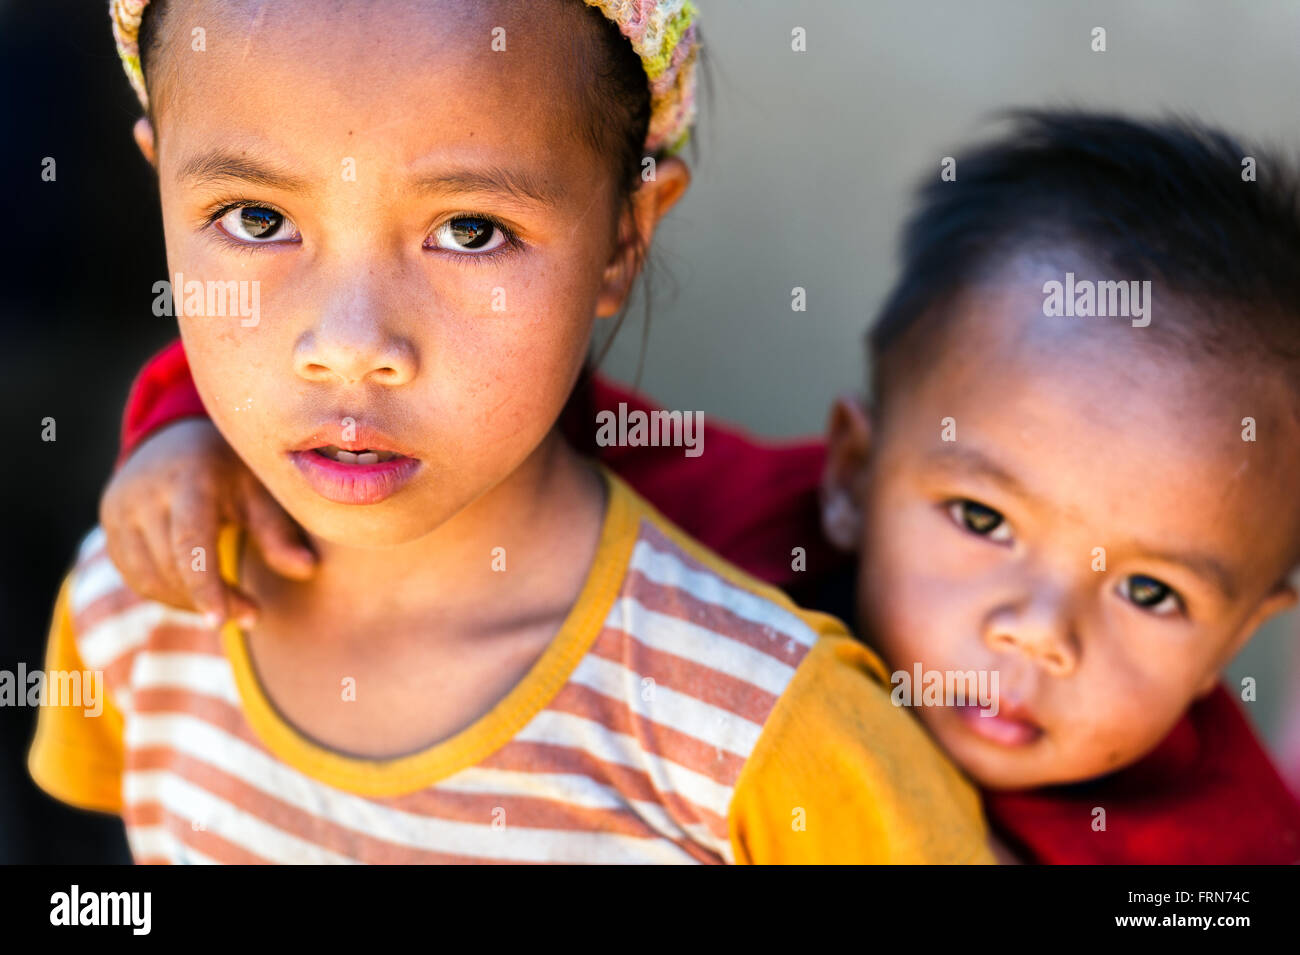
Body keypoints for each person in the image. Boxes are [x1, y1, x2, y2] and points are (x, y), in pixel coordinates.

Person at [100, 111, 1300, 864]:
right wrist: (185, 429)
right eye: (982, 519)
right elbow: (458, 425)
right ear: (850, 476)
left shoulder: (1209, 838)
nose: (1037, 633)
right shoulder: (727, 526)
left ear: (1245, 631)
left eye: (1149, 592)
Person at [26, 0, 994, 865]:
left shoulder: (760, 730)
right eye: (254, 215)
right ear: (161, 192)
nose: (353, 347)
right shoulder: (132, 606)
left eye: (471, 231)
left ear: (624, 237)